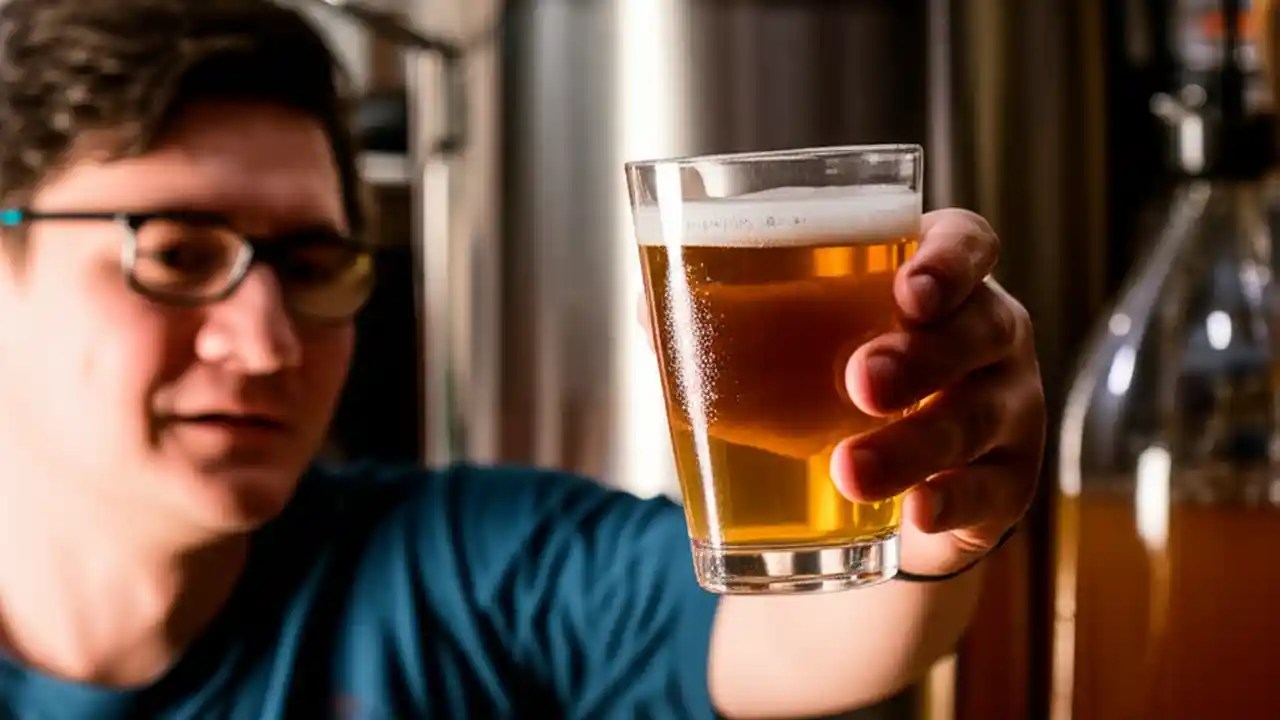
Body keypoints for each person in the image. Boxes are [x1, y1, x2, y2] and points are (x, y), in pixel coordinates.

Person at [0, 0, 1045, 718]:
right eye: (178, 255)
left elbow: (801, 638)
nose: (267, 341)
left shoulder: (456, 572)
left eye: (313, 262)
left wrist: (930, 515)